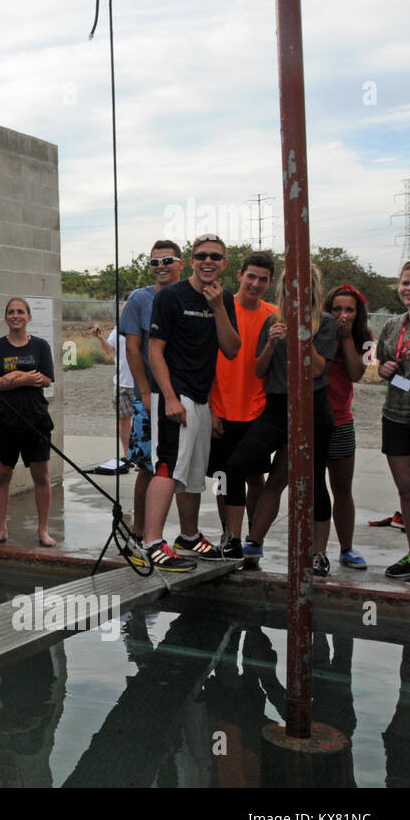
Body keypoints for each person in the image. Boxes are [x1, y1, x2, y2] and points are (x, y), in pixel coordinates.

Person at [221, 268, 336, 573]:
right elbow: (259, 371)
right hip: (277, 406)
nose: (298, 293)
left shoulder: (324, 322)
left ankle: (318, 553)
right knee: (236, 465)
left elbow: (316, 369)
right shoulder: (272, 321)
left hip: (312, 407)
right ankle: (243, 541)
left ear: (314, 290)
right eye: (292, 286)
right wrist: (272, 343)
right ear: (284, 288)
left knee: (311, 481)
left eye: (306, 287)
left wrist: (302, 331)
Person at [138, 234, 241, 571]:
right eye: (201, 256)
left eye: (215, 256)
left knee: (194, 473)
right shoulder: (170, 297)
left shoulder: (224, 298)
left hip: (200, 397)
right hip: (174, 393)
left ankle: (188, 536)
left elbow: (231, 349)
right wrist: (168, 398)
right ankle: (151, 542)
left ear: (224, 263)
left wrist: (218, 309)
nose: (208, 261)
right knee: (168, 465)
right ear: (192, 261)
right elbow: (154, 350)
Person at [207, 251, 277, 558]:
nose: (256, 283)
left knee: (253, 476)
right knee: (222, 478)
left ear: (270, 282)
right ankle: (228, 535)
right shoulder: (220, 309)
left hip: (258, 410)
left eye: (263, 279)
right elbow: (205, 360)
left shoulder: (274, 315)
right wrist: (209, 408)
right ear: (239, 276)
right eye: (251, 276)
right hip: (221, 407)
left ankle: (252, 537)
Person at [119, 240, 187, 549]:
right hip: (153, 397)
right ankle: (139, 531)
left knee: (186, 466)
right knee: (148, 465)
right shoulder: (139, 300)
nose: (161, 267)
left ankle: (188, 534)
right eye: (155, 262)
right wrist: (144, 393)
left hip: (188, 394)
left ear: (181, 263)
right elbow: (133, 348)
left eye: (167, 260)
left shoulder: (193, 296)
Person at [0, 298, 57, 546]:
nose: (15, 315)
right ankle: (1, 528)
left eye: (20, 312)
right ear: (6, 317)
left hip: (35, 418)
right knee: (2, 475)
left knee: (41, 476)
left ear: (29, 317)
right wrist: (24, 377)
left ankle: (43, 530)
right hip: (5, 420)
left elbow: (46, 380)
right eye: (11, 312)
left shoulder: (40, 346)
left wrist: (12, 377)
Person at [378, 261, 410, 587]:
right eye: (405, 282)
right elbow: (380, 367)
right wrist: (384, 370)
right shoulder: (393, 326)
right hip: (395, 415)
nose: (409, 288)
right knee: (408, 491)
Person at [324, 283, 371, 569]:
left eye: (349, 310)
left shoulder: (366, 339)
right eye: (337, 309)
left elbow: (357, 373)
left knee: (342, 488)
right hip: (315, 418)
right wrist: (331, 337)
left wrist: (345, 341)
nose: (343, 315)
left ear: (358, 313)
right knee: (313, 488)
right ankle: (311, 548)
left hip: (342, 420)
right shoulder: (318, 331)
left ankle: (347, 548)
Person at [92, 315, 133, 473]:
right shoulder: (118, 330)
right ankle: (127, 454)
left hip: (140, 382)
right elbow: (110, 350)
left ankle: (144, 456)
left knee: (143, 421)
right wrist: (100, 337)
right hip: (121, 382)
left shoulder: (144, 326)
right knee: (123, 420)